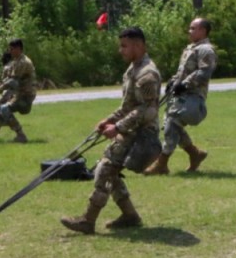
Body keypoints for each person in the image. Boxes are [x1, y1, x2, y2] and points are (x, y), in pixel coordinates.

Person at [61, 27, 161, 235]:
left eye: (124, 46)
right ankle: (130, 215)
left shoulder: (147, 74)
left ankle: (88, 220)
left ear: (138, 45)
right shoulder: (132, 70)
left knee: (105, 169)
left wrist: (117, 127)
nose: (120, 50)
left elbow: (148, 110)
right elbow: (128, 106)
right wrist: (109, 120)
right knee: (108, 170)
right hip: (130, 131)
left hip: (142, 135)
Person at [144, 17, 216, 175]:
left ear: (203, 31)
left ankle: (162, 163)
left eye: (193, 28)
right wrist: (173, 82)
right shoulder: (191, 48)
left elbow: (204, 72)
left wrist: (185, 84)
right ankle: (195, 153)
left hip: (193, 98)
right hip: (181, 96)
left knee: (172, 122)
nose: (189, 31)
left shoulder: (206, 50)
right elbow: (182, 71)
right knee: (171, 124)